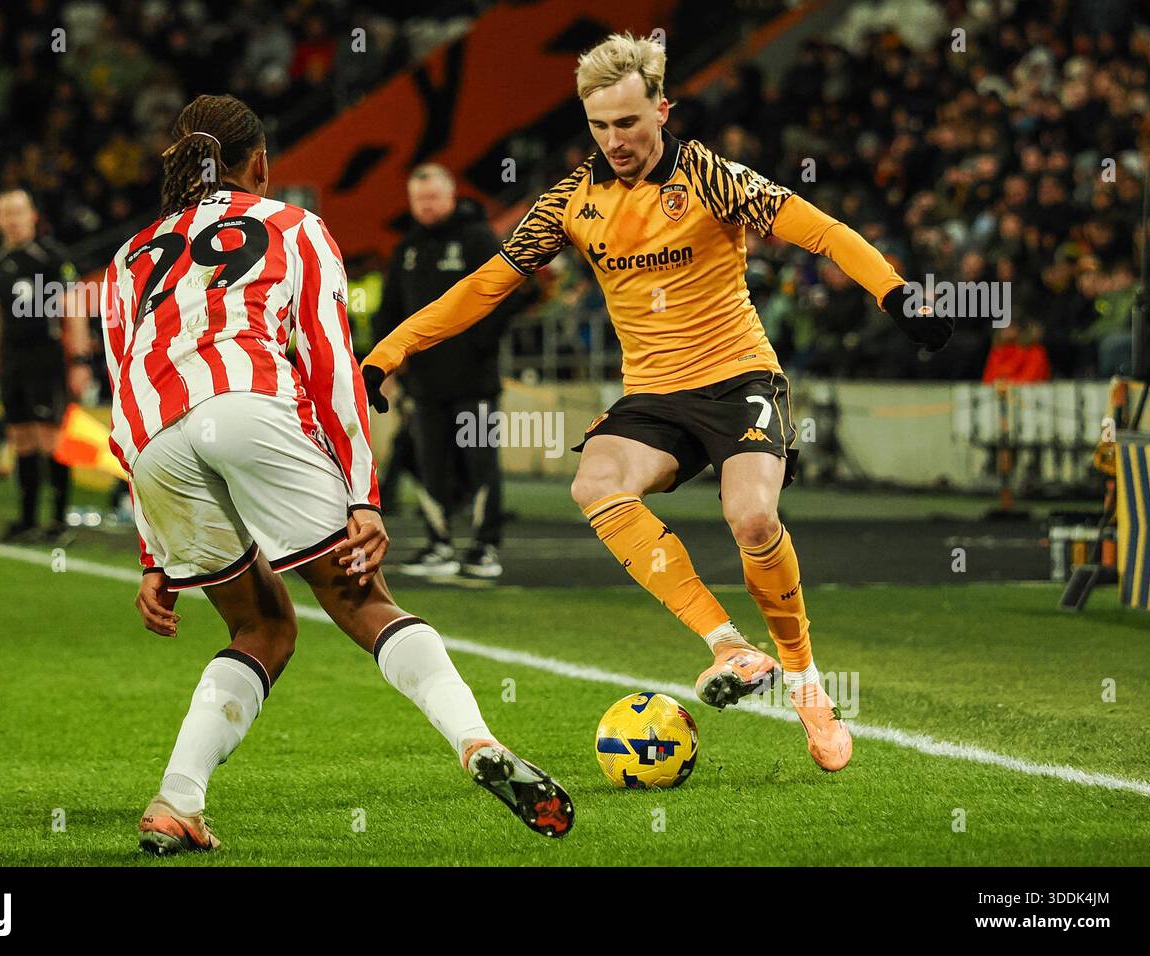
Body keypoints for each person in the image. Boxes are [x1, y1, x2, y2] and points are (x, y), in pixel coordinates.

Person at [361, 34, 953, 773]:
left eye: (629, 124)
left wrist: (895, 293)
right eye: (600, 126)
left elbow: (823, 232)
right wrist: (387, 352)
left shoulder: (713, 179)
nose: (615, 140)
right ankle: (728, 645)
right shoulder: (572, 202)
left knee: (753, 515)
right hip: (655, 394)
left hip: (739, 378)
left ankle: (804, 677)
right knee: (595, 483)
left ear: (661, 110)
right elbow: (486, 284)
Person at [100, 95, 572, 854]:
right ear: (260, 164)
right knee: (360, 599)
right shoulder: (295, 226)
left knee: (262, 626)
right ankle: (478, 742)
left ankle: (176, 801)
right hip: (248, 404)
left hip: (156, 439)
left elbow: (121, 389)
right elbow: (330, 364)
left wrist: (155, 549)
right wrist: (362, 494)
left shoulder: (128, 259)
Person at [373, 165, 517, 579]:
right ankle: (439, 544)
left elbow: (504, 297)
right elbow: (391, 312)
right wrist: (385, 364)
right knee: (429, 463)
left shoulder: (478, 238)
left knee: (479, 462)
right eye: (419, 200)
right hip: (424, 387)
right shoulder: (407, 248)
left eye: (433, 198)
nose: (426, 206)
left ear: (451, 196)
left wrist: (478, 348)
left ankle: (484, 547)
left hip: (475, 385)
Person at [0, 189, 91, 543]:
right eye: (5, 212)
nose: (12, 218)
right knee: (20, 437)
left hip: (47, 356)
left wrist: (80, 360)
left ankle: (58, 521)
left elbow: (75, 307)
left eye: (18, 211)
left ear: (33, 215)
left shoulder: (51, 256)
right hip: (13, 361)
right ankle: (26, 520)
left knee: (49, 437)